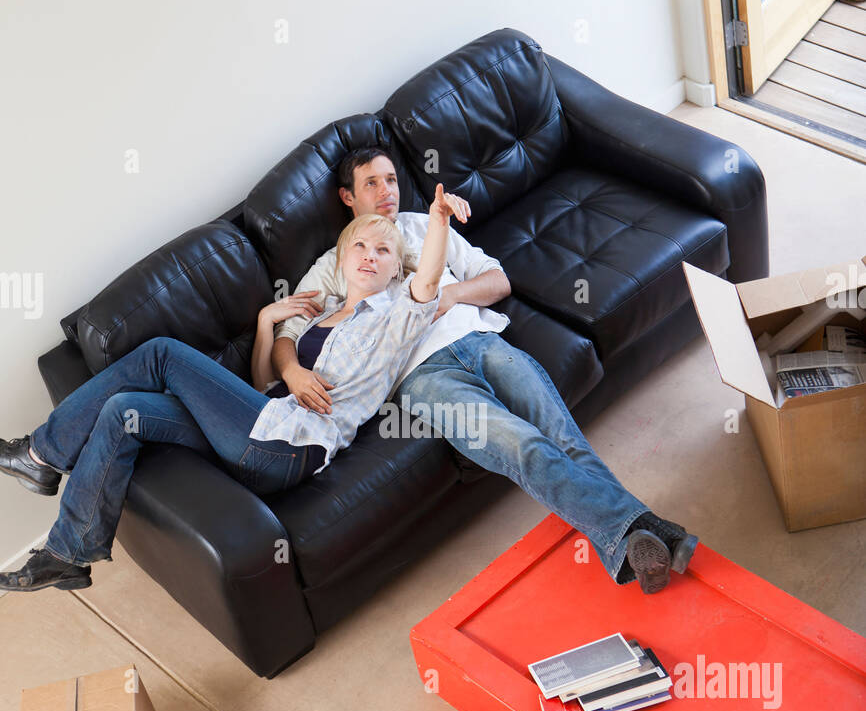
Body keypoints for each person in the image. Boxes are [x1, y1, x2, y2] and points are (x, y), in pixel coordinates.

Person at [269, 147, 698, 594]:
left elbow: (498, 280)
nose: (386, 191)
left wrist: (452, 296)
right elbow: (290, 327)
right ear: (347, 196)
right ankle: (655, 533)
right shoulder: (339, 260)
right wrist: (294, 373)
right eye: (371, 183)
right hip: (423, 378)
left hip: (482, 341)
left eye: (391, 179)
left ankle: (635, 541)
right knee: (523, 445)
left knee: (564, 437)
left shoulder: (423, 225)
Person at [0, 185, 468, 593]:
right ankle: (69, 552)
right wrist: (269, 323)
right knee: (124, 411)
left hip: (289, 446)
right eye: (360, 246)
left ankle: (40, 454)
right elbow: (260, 382)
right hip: (258, 425)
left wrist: (438, 220)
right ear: (342, 260)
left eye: (383, 252)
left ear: (394, 269)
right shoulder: (318, 318)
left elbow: (426, 280)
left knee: (162, 352)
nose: (370, 255)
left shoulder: (396, 317)